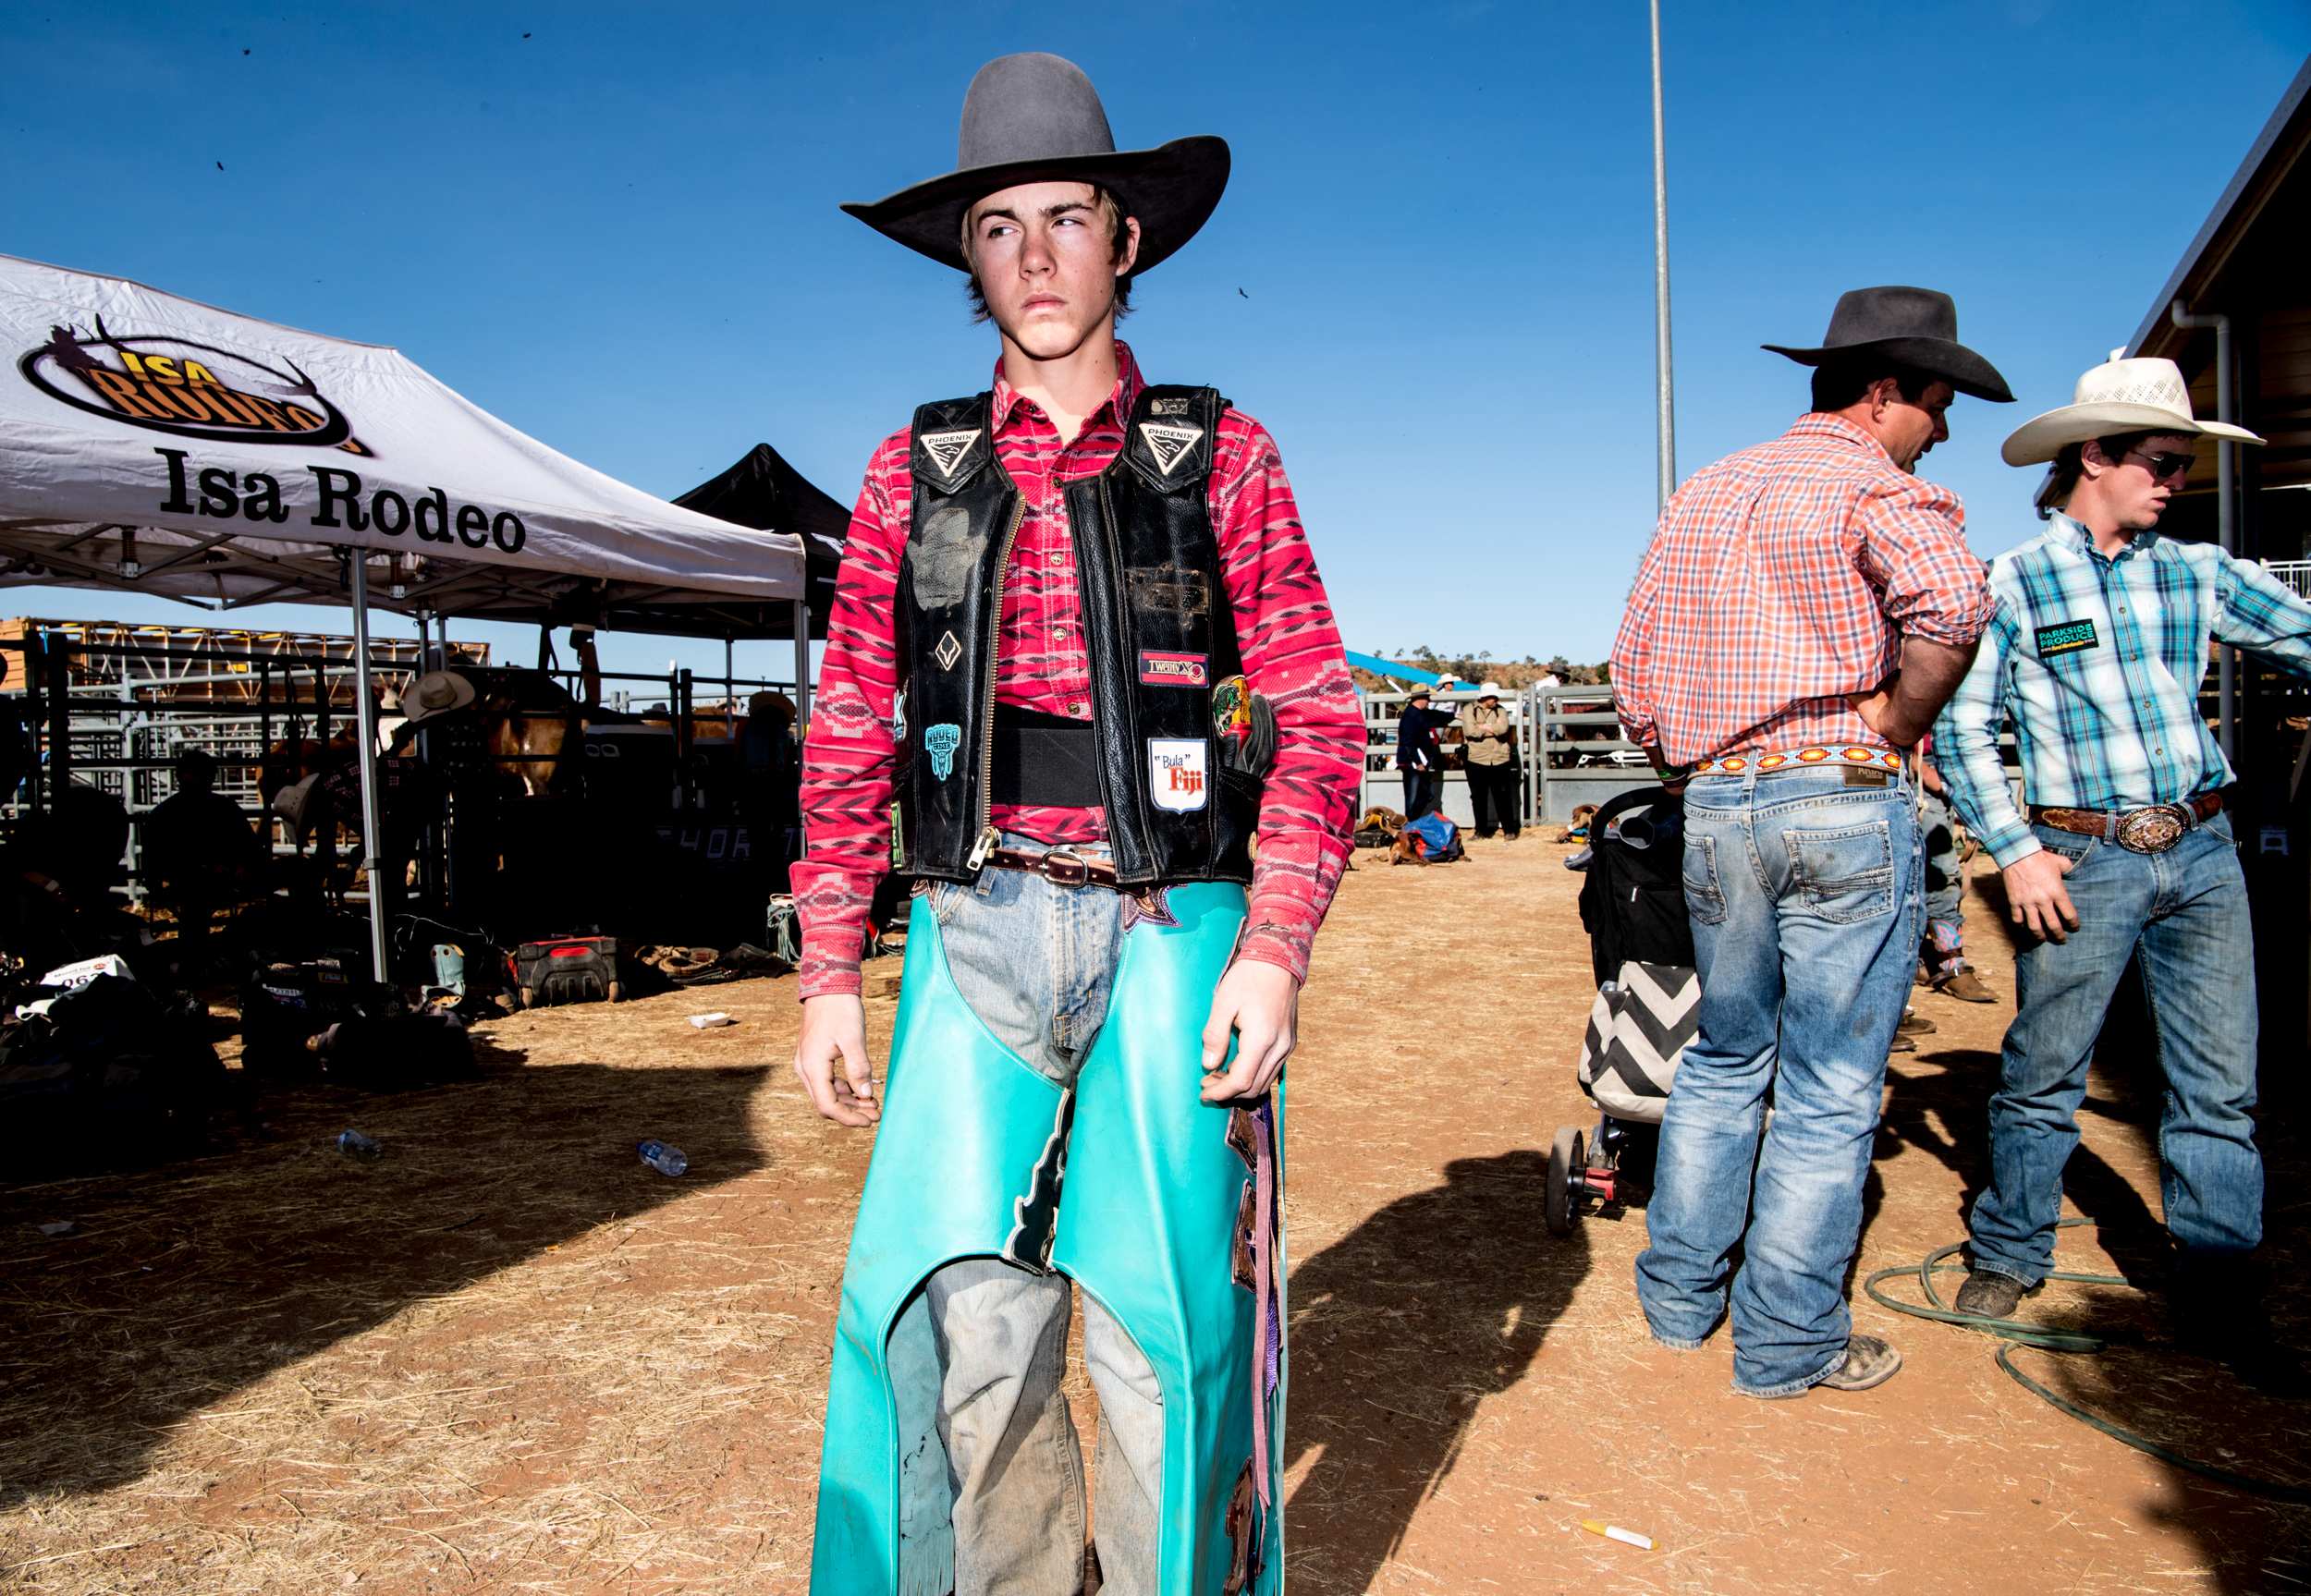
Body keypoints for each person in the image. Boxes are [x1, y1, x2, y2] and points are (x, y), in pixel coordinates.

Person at [790, 54, 1363, 1594]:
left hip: (1178, 927)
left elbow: (1315, 714)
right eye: (998, 227)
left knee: (1160, 1335)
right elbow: (852, 721)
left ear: (1126, 238)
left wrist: (1279, 949)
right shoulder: (914, 472)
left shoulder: (1221, 453)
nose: (1036, 258)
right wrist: (833, 962)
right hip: (973, 928)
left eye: (1067, 217)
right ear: (968, 262)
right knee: (970, 1333)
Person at [1611, 286, 2011, 1397]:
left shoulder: (1705, 489)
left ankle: (1681, 1299)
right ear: (1883, 394)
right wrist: (1897, 720)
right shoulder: (1875, 485)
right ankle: (1787, 1339)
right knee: (1832, 1084)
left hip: (1721, 795)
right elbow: (1953, 606)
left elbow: (1631, 670)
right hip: (1838, 785)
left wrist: (1695, 756)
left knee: (1727, 1055)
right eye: (1936, 403)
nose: (1942, 426)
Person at [1933, 353, 2310, 1391]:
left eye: (2180, 461)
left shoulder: (2195, 572)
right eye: (2157, 459)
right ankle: (2009, 1248)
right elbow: (1964, 734)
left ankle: (2219, 1278)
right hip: (2077, 856)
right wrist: (2014, 852)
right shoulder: (2007, 583)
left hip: (2199, 845)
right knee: (2044, 1068)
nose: (2173, 478)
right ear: (2090, 455)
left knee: (2217, 1081)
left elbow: (2304, 636)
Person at [142, 748, 264, 969]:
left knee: (196, 902)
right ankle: (206, 958)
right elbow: (250, 846)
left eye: (199, 774)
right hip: (195, 882)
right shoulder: (222, 808)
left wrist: (239, 866)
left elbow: (250, 848)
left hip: (203, 880)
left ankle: (199, 959)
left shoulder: (165, 812)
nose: (196, 780)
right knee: (196, 900)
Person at [1915, 744, 1993, 1001]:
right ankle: (1944, 961)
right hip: (1908, 762)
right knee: (1933, 871)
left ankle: (1944, 958)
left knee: (1944, 874)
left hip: (1945, 760)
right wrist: (1918, 763)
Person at [1460, 682, 1520, 839]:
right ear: (1486, 697)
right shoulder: (1469, 709)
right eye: (1494, 697)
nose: (1496, 700)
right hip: (1477, 758)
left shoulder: (1501, 710)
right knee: (1478, 797)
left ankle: (1509, 830)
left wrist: (1483, 727)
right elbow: (1470, 731)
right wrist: (1492, 728)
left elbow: (1503, 729)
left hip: (1499, 758)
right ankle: (1481, 830)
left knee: (1503, 795)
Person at [1395, 684, 1451, 819]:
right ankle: (1410, 824)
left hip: (1417, 761)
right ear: (1420, 698)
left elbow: (1436, 715)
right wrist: (1418, 761)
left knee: (1423, 794)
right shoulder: (1410, 716)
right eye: (1427, 697)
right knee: (1415, 797)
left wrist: (1453, 715)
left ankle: (1411, 823)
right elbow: (1408, 742)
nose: (1429, 700)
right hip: (1413, 762)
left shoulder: (1419, 713)